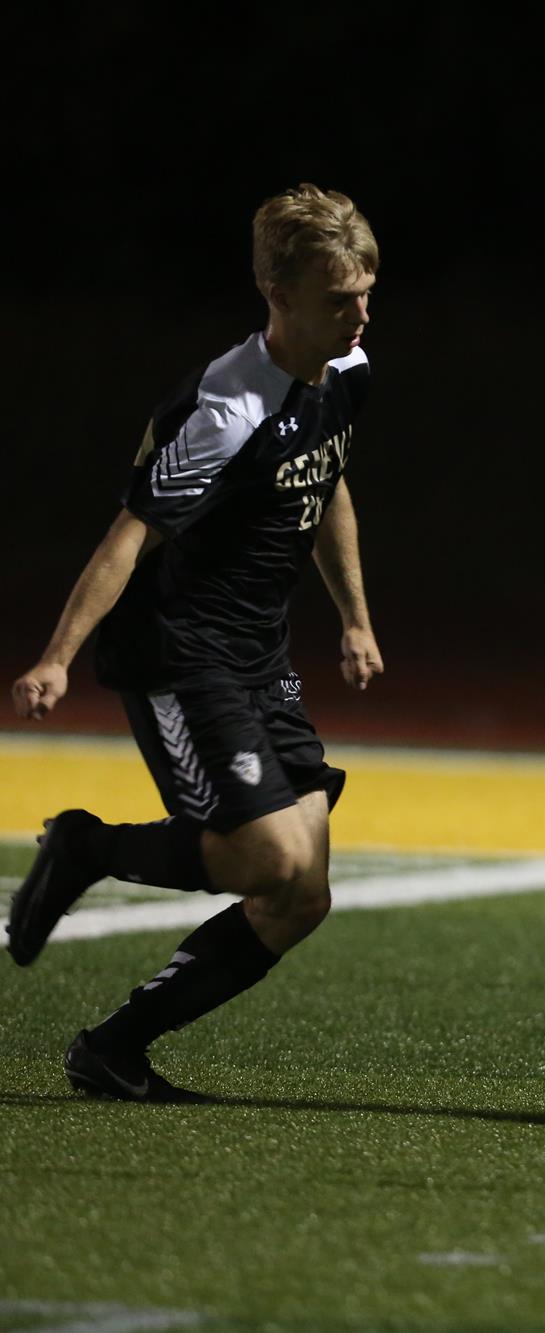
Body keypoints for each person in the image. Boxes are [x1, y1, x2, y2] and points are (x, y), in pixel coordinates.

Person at [7, 183, 383, 1102]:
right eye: (340, 298)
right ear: (277, 293)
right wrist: (56, 656)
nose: (361, 313)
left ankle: (113, 1049)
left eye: (368, 291)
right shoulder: (224, 409)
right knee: (265, 860)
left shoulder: (346, 369)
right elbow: (129, 533)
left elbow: (328, 481)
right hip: (178, 652)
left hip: (258, 654)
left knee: (301, 895)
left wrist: (356, 616)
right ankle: (87, 848)